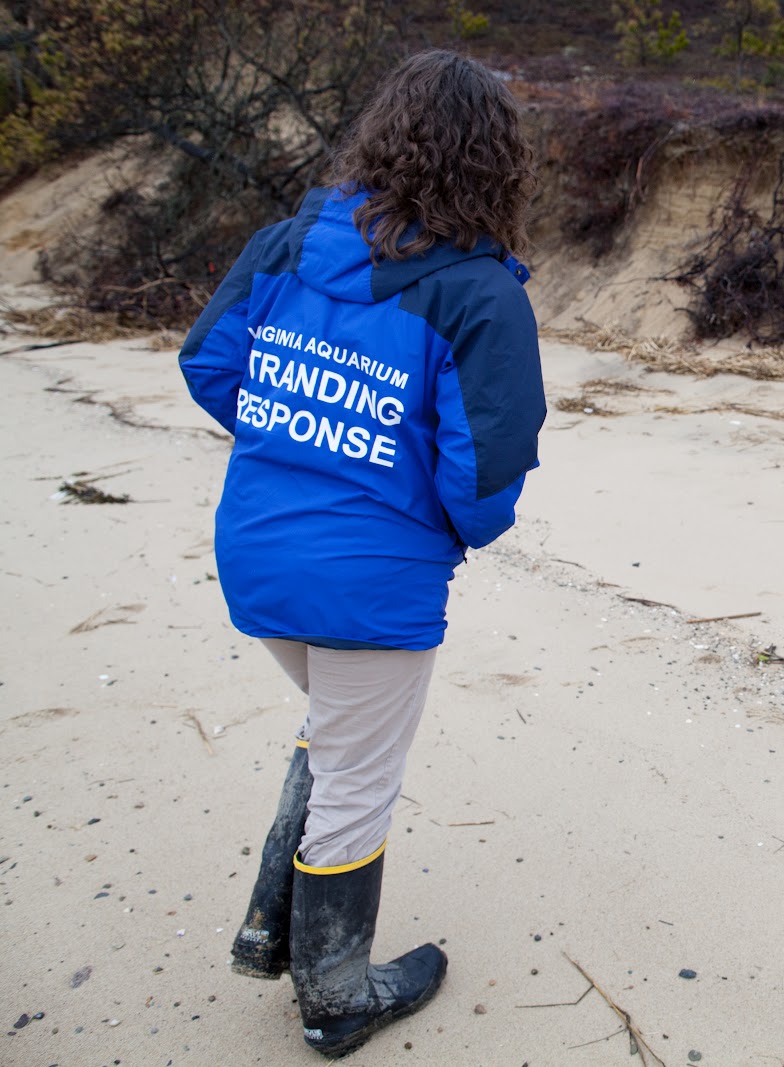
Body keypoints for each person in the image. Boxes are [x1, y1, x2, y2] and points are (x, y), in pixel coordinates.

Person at [178, 49, 545, 1058]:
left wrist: (299, 444)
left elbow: (211, 363)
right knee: (356, 774)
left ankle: (270, 925)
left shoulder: (290, 244)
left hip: (256, 550)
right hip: (369, 581)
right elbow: (483, 486)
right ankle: (336, 991)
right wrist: (394, 493)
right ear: (497, 163)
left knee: (336, 729)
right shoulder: (478, 294)